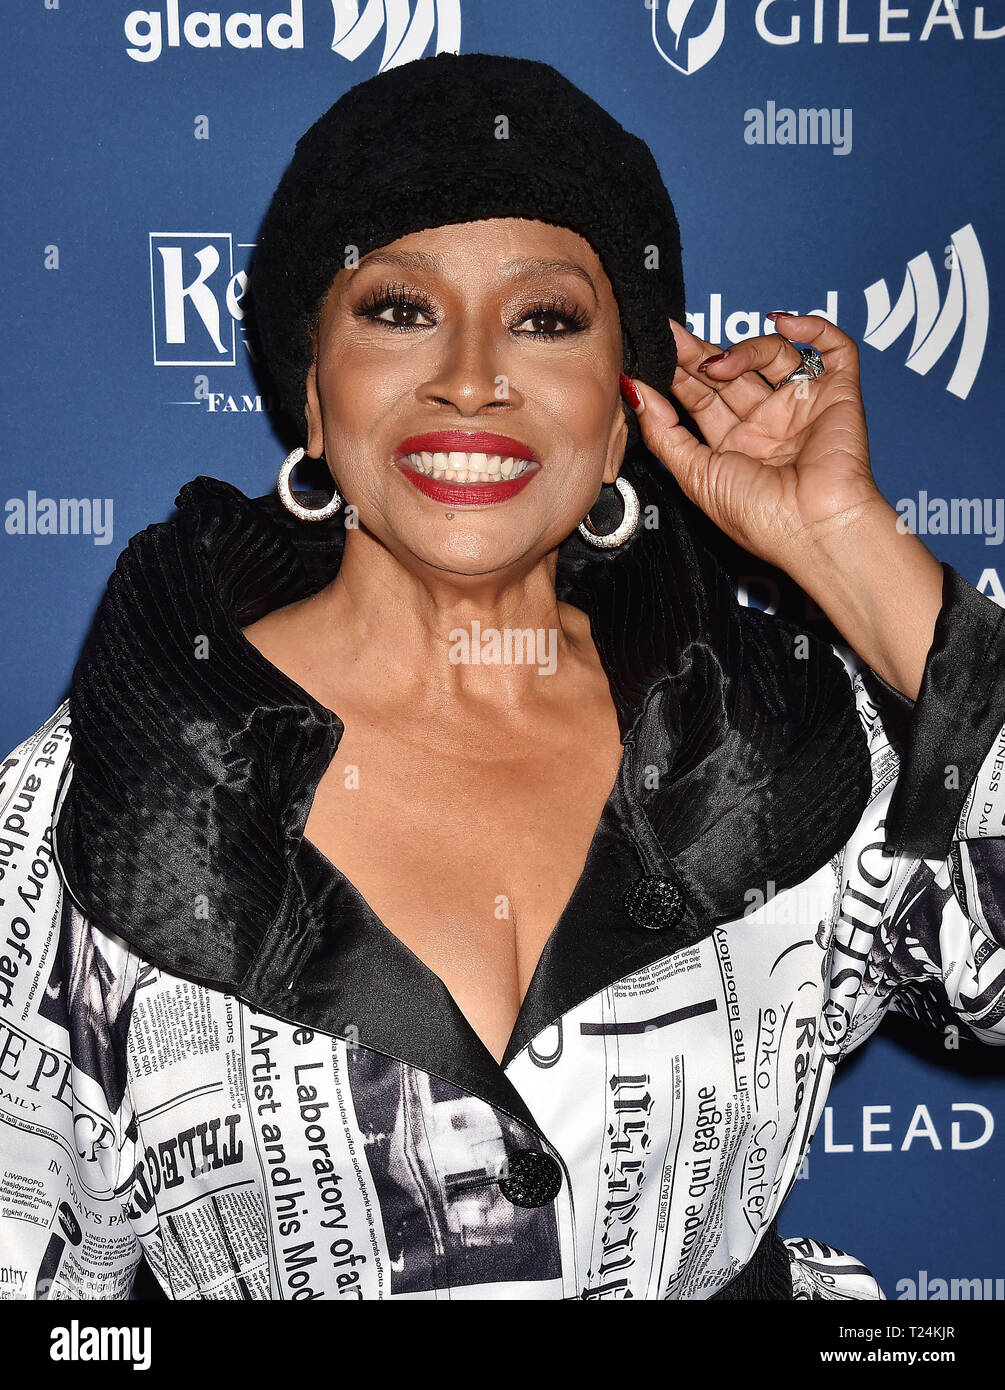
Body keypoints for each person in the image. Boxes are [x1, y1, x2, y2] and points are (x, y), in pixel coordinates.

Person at [0, 51, 1002, 1303]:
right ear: (314, 393)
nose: (471, 375)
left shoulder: (775, 734)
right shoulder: (103, 800)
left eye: (547, 319)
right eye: (398, 310)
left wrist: (845, 545)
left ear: (625, 406)